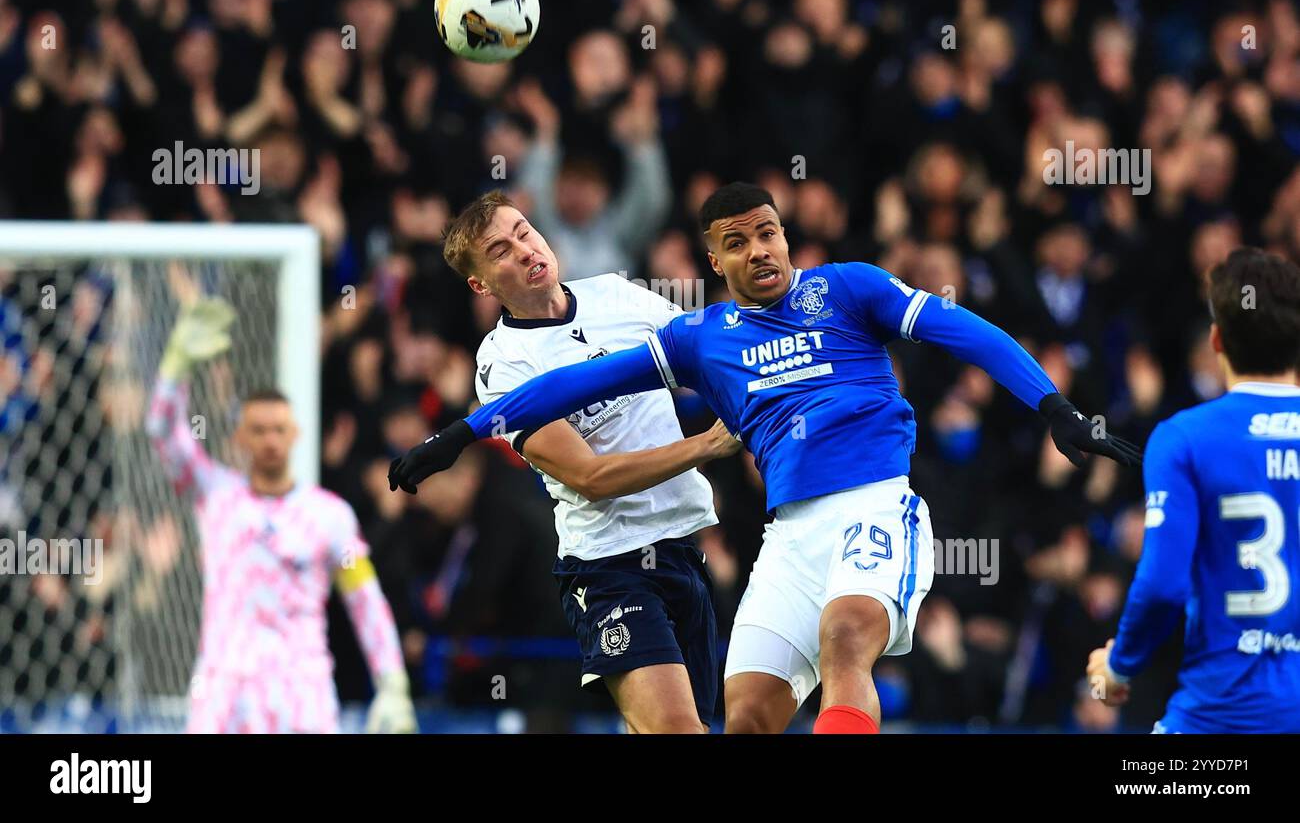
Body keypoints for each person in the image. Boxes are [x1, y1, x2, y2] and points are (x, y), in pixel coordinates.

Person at [391, 181, 1141, 733]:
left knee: (845, 639)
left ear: (787, 237)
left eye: (770, 233)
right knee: (745, 716)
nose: (761, 251)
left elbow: (963, 330)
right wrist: (466, 431)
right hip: (765, 541)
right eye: (739, 242)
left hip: (872, 505)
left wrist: (1054, 406)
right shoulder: (701, 336)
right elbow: (575, 386)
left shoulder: (848, 288)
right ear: (714, 259)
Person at [436, 190, 740, 732]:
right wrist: (706, 446)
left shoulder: (615, 294)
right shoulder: (501, 366)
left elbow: (708, 359)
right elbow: (589, 478)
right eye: (500, 250)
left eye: (524, 231)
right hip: (608, 567)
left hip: (682, 547)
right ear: (480, 285)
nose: (525, 250)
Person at [147, 296, 415, 733]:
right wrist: (175, 369)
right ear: (240, 437)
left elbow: (364, 599)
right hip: (223, 689)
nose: (270, 440)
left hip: (300, 692)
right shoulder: (215, 496)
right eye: (258, 430)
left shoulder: (329, 516)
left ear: (294, 434)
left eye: (278, 429)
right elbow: (163, 432)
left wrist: (392, 682)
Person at [1088, 247, 1300, 732]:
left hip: (1221, 715)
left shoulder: (1185, 438)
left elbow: (1163, 586)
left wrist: (1119, 665)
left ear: (1218, 339)